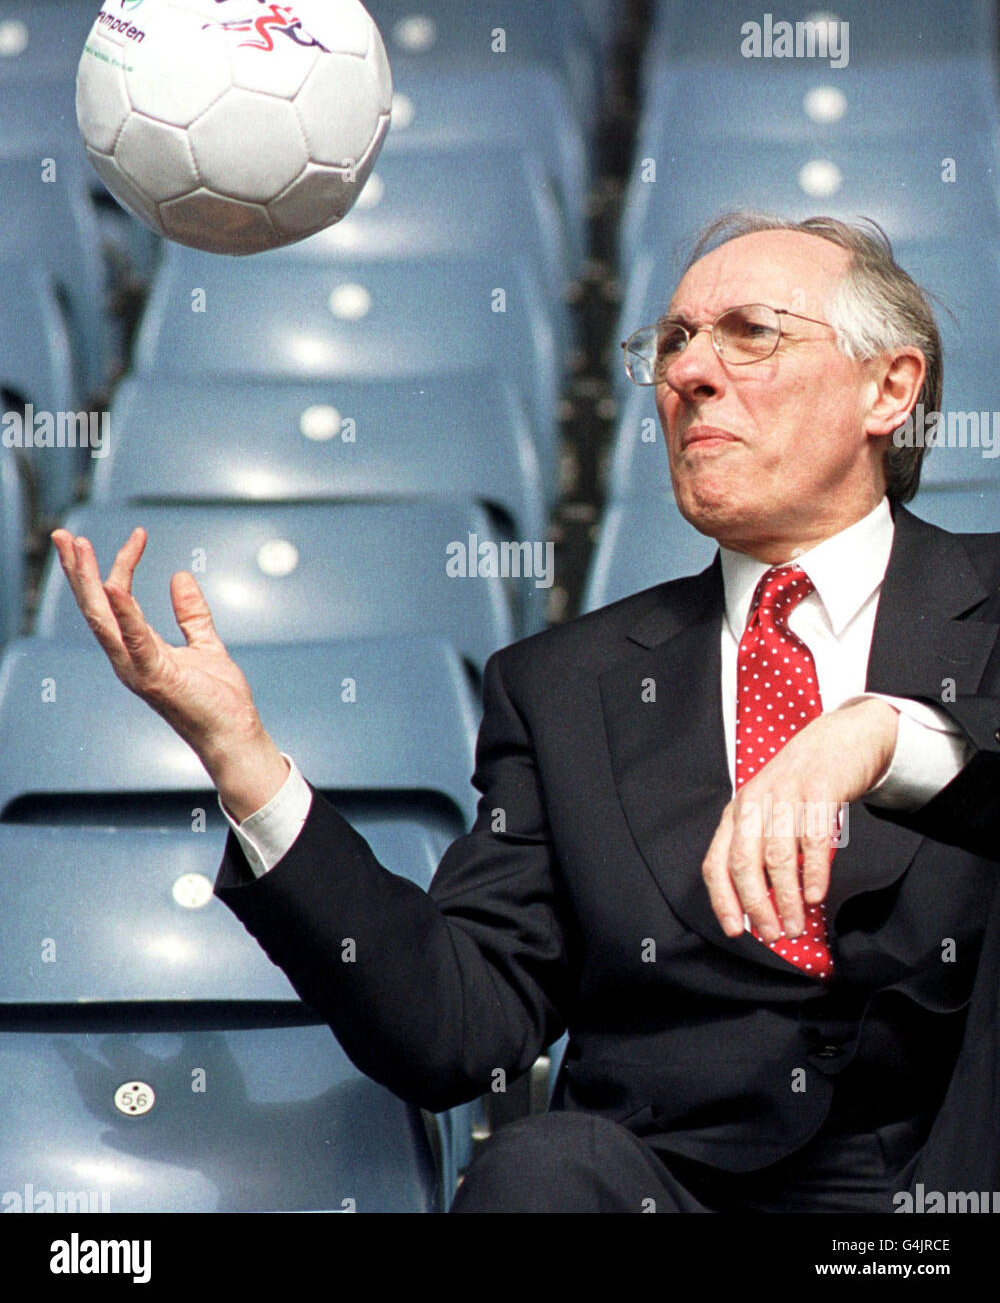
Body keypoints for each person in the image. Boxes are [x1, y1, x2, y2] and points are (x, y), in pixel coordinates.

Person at [51, 212, 1000, 1213]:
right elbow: (459, 1027)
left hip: (942, 1198)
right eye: (673, 341)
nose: (690, 373)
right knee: (540, 1168)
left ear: (887, 389)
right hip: (661, 1195)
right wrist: (245, 761)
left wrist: (887, 737)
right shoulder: (562, 688)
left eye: (750, 332)